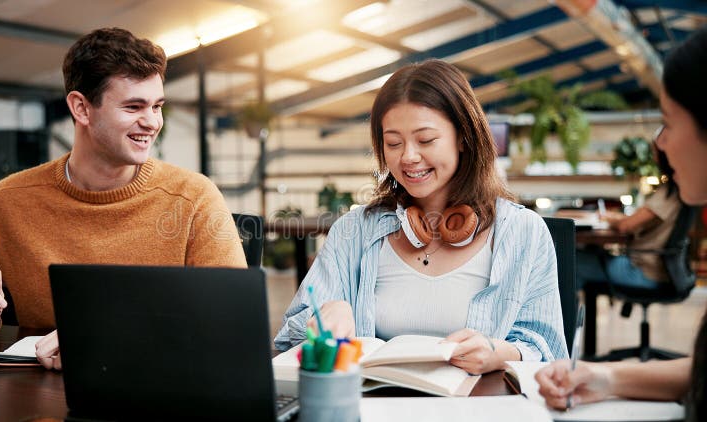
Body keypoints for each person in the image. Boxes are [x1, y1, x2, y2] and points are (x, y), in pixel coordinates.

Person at [0, 27, 247, 370]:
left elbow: (233, 318)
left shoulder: (194, 199)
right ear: (81, 108)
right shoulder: (4, 203)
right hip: (34, 395)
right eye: (133, 106)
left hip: (157, 388)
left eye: (157, 106)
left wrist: (105, 337)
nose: (152, 122)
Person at [275, 59, 568, 374]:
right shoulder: (355, 230)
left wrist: (500, 352)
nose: (408, 157)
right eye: (393, 143)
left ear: (464, 137)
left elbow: (548, 349)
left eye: (425, 140)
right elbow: (287, 341)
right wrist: (323, 317)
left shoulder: (523, 232)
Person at [536, 26, 707, 422]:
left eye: (668, 122)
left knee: (571, 264)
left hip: (644, 265)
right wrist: (605, 377)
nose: (660, 143)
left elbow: (629, 228)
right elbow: (701, 372)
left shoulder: (666, 193)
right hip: (650, 263)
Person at [576, 142, 683, 290]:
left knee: (569, 260)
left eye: (655, 154)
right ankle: (572, 310)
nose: (653, 158)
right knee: (583, 257)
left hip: (642, 271)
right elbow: (633, 220)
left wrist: (609, 219)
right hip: (653, 269)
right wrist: (612, 217)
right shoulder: (676, 191)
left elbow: (626, 226)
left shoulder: (668, 194)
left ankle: (566, 312)